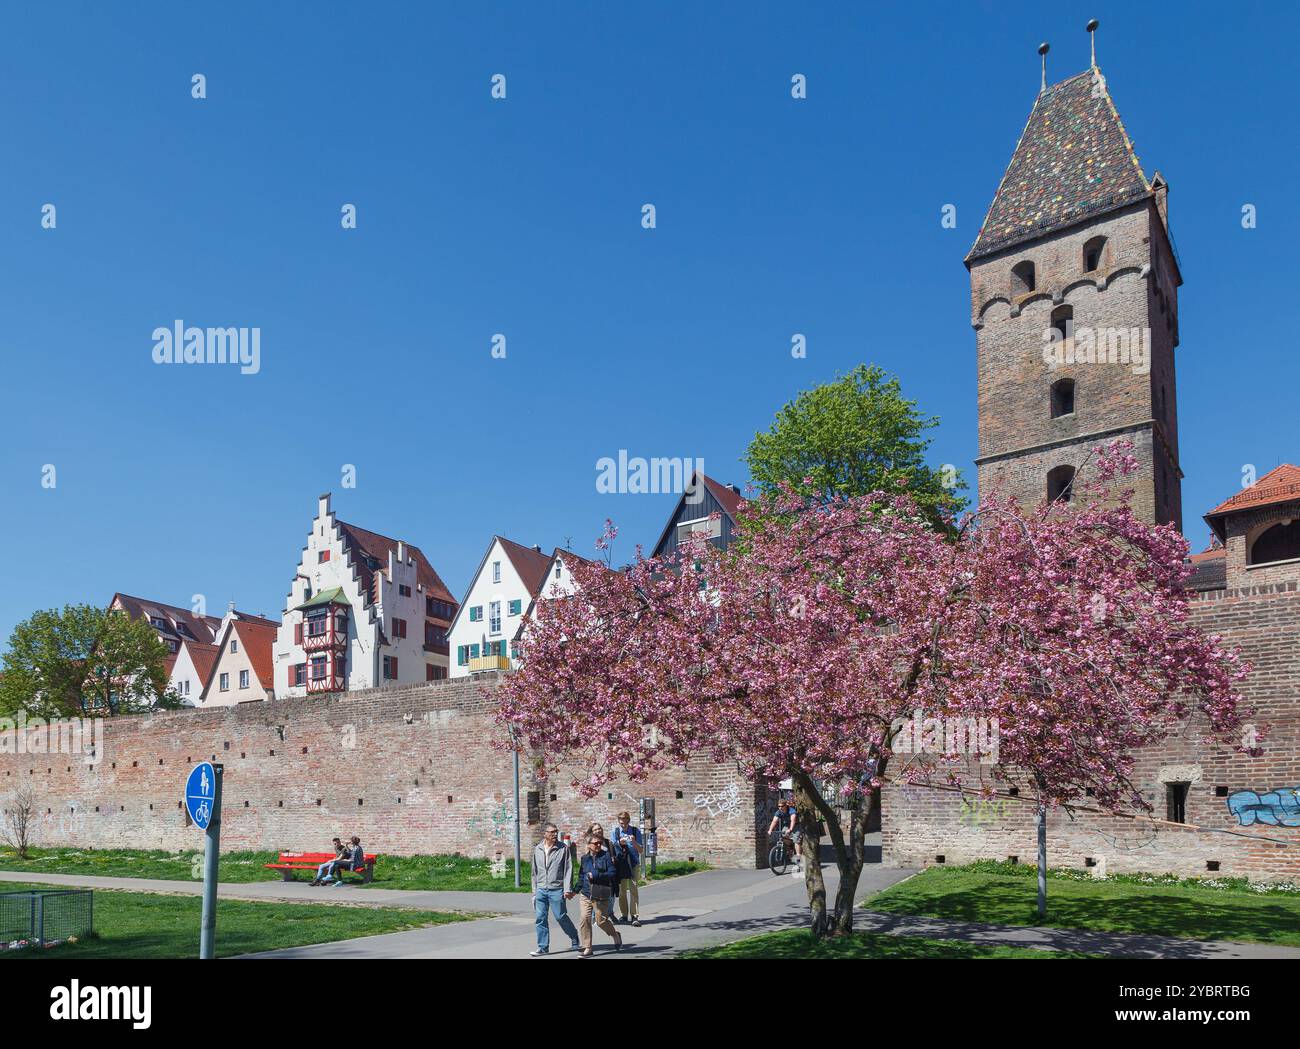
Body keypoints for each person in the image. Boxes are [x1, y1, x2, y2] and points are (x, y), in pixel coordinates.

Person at [531, 824, 581, 956]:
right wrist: (534, 890)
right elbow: (534, 871)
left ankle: (574, 936)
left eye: (556, 832)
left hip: (557, 889)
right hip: (541, 889)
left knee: (560, 916)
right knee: (540, 918)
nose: (554, 834)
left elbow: (568, 870)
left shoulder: (563, 849)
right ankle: (543, 947)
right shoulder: (538, 849)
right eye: (552, 832)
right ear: (545, 834)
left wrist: (567, 889)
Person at [577, 834, 623, 956]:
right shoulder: (584, 858)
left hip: (601, 891)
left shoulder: (606, 856)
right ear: (589, 845)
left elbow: (612, 873)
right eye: (595, 843)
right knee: (584, 918)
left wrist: (597, 875)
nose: (598, 845)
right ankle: (588, 947)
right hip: (586, 893)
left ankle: (615, 934)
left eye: (599, 843)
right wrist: (575, 890)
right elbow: (581, 875)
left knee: (601, 920)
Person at [609, 811, 643, 926]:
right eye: (621, 822)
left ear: (628, 820)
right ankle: (624, 914)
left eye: (625, 822)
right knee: (622, 891)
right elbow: (612, 847)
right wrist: (619, 842)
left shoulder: (635, 831)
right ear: (619, 821)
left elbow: (641, 850)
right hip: (621, 864)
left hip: (633, 863)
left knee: (634, 889)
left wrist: (633, 841)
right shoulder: (615, 831)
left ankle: (634, 915)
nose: (623, 825)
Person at [767, 798, 802, 871]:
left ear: (785, 805)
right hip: (786, 826)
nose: (780, 808)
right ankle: (790, 848)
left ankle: (798, 859)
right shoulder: (778, 812)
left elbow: (793, 821)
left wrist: (790, 829)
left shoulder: (791, 810)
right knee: (783, 836)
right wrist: (770, 830)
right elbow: (774, 821)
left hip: (796, 826)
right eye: (779, 806)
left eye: (782, 806)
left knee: (796, 841)